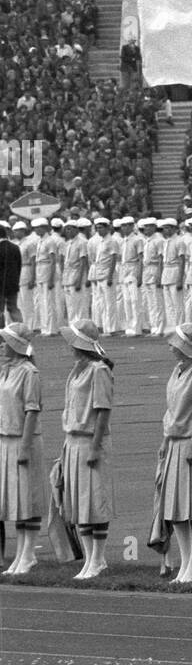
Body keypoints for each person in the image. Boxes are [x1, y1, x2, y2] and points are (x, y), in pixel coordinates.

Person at [154, 324, 192, 585]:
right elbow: (172, 410)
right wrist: (166, 440)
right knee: (175, 505)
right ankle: (185, 561)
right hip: (174, 441)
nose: (170, 347)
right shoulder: (177, 371)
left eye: (174, 343)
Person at [58, 318, 115, 581]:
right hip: (73, 439)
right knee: (78, 501)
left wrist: (95, 446)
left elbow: (102, 410)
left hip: (91, 439)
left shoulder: (98, 370)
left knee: (94, 499)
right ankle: (89, 558)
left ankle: (98, 558)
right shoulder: (77, 369)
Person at [0, 323, 45, 576]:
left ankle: (28, 553)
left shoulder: (29, 372)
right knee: (15, 500)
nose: (2, 346)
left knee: (28, 498)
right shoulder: (6, 371)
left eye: (6, 341)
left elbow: (32, 411)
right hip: (5, 440)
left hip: (22, 439)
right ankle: (21, 553)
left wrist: (25, 447)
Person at [0, 219, 22, 323]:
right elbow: (19, 266)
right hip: (13, 284)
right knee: (13, 308)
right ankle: (21, 331)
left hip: (1, 284)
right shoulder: (15, 247)